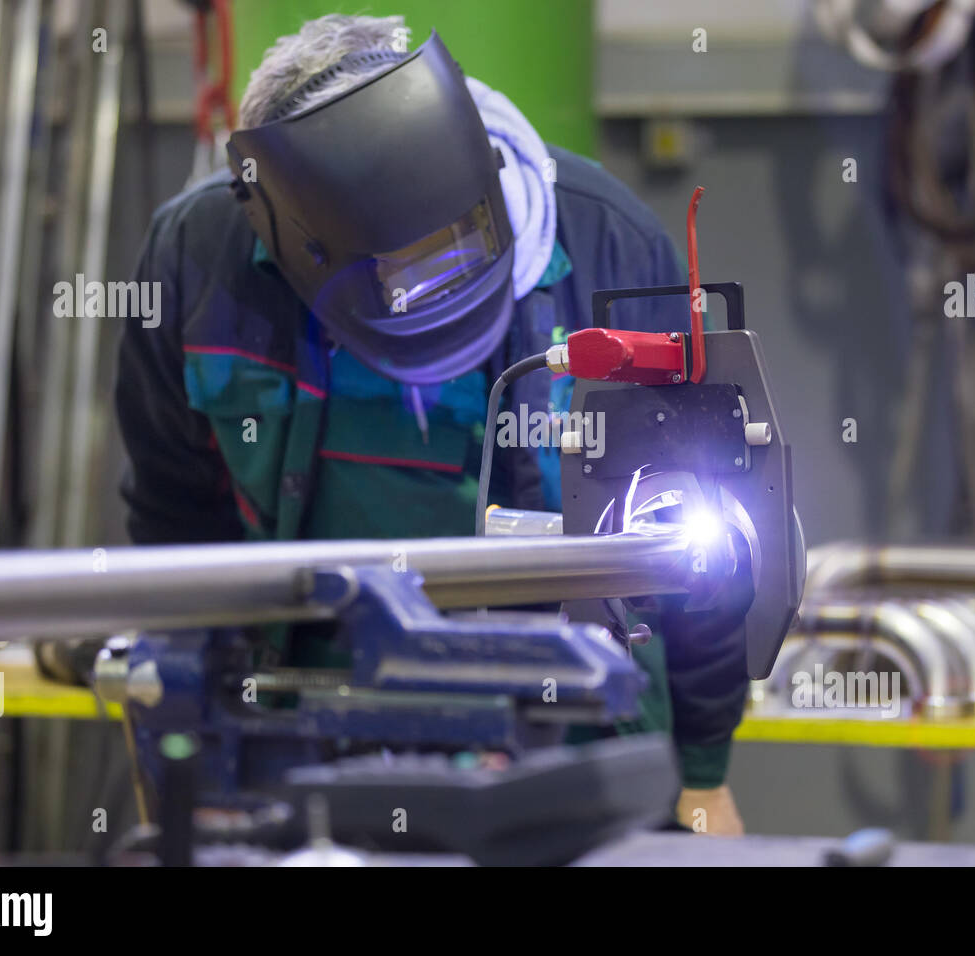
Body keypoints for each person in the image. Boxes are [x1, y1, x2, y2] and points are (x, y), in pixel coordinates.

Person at [115, 13, 747, 834]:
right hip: (296, 758)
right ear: (282, 221)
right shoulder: (197, 261)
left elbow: (705, 549)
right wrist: (182, 762)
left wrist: (702, 773)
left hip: (584, 761)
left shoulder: (610, 247)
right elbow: (175, 528)